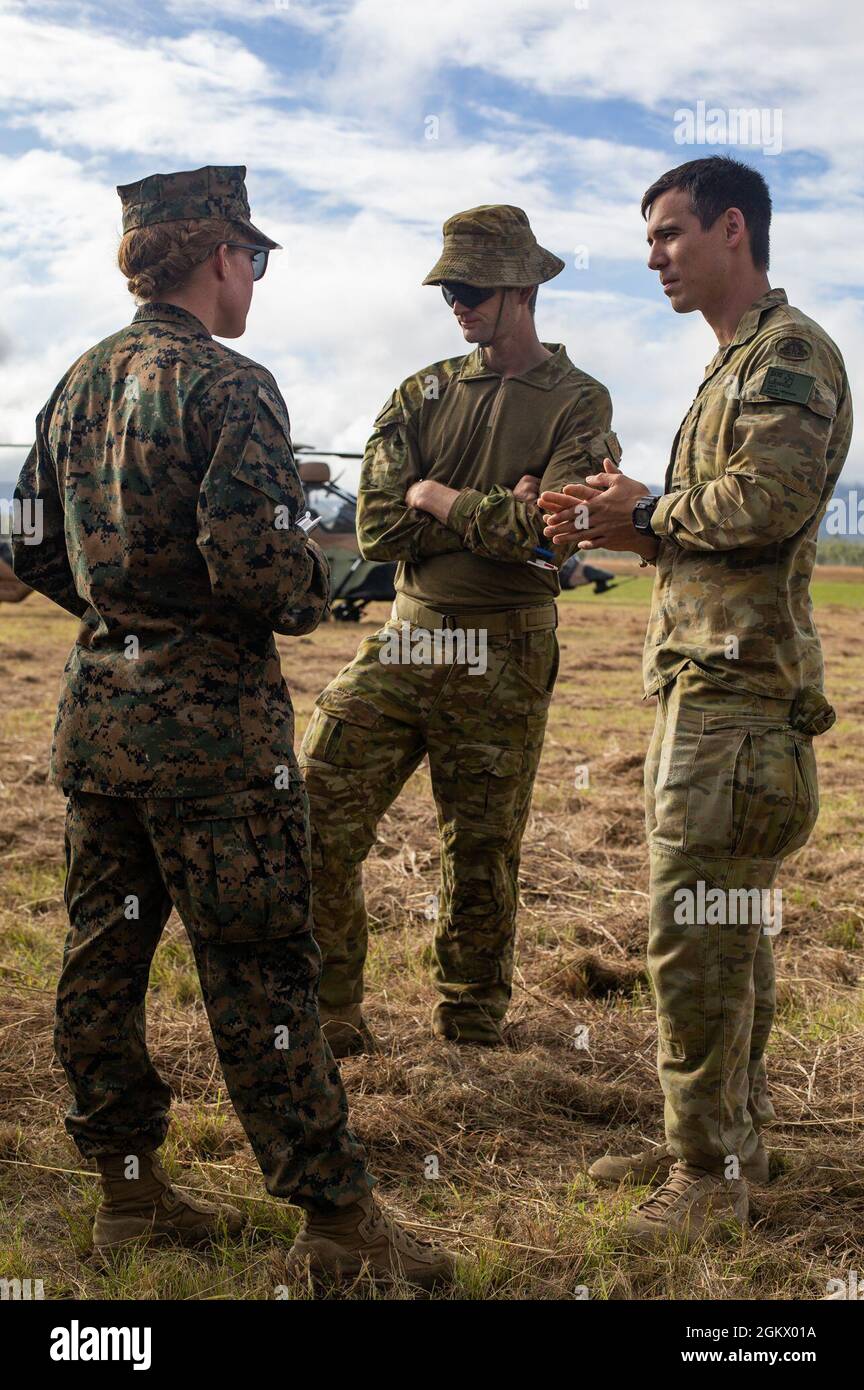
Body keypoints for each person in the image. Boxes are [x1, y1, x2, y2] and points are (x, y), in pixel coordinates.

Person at [13, 164, 454, 1286]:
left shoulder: (74, 383)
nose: (252, 277)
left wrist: (127, 617)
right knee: (262, 973)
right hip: (213, 749)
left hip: (103, 732)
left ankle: (127, 1198)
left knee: (102, 961)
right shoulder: (231, 387)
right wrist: (319, 588)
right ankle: (340, 1227)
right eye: (251, 258)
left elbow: (24, 548)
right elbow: (254, 563)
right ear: (219, 257)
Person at [539, 156, 851, 1249]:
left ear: (731, 229)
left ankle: (703, 1180)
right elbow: (698, 525)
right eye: (646, 239)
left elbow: (762, 504)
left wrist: (650, 506)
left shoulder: (788, 354)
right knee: (729, 934)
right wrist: (616, 523)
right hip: (707, 694)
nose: (652, 256)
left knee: (693, 934)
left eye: (669, 233)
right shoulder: (728, 365)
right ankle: (727, 1142)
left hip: (737, 704)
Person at [299, 204, 620, 1054]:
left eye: (473, 288)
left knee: (479, 851)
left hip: (504, 646)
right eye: (448, 289)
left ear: (522, 288)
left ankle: (469, 1028)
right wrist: (491, 510)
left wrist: (435, 495)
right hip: (407, 634)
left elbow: (551, 534)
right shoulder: (420, 391)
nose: (457, 304)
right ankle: (333, 1013)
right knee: (315, 806)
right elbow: (376, 528)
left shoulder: (578, 401)